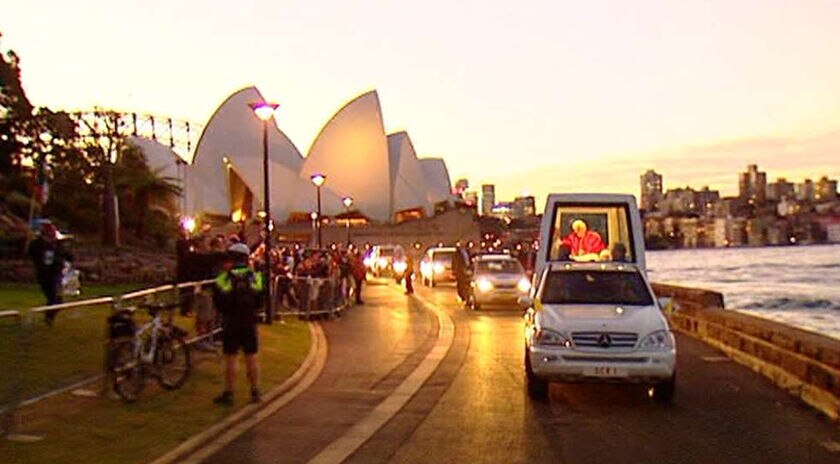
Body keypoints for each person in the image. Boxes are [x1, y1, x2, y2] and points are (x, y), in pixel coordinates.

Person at [212, 243, 264, 405]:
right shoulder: (256, 277)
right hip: (249, 321)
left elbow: (218, 302)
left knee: (231, 358)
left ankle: (229, 393)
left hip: (231, 321)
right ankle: (255, 391)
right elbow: (260, 301)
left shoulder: (223, 278)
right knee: (251, 356)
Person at [28, 221, 72, 326]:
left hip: (56, 274)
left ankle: (49, 317)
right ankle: (48, 318)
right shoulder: (38, 245)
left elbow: (67, 256)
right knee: (54, 298)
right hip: (45, 275)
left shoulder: (56, 245)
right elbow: (43, 260)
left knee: (57, 299)